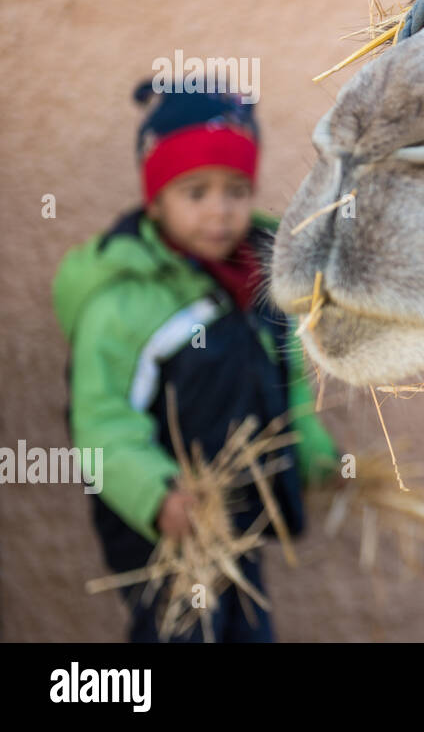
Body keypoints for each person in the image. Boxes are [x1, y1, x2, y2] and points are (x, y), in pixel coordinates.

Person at [52, 76, 338, 642]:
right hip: (165, 533)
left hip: (243, 517)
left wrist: (314, 451)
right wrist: (158, 496)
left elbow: (289, 380)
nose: (220, 211)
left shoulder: (262, 275)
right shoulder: (126, 303)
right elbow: (102, 420)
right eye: (196, 192)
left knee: (248, 629)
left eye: (235, 190)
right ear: (155, 199)